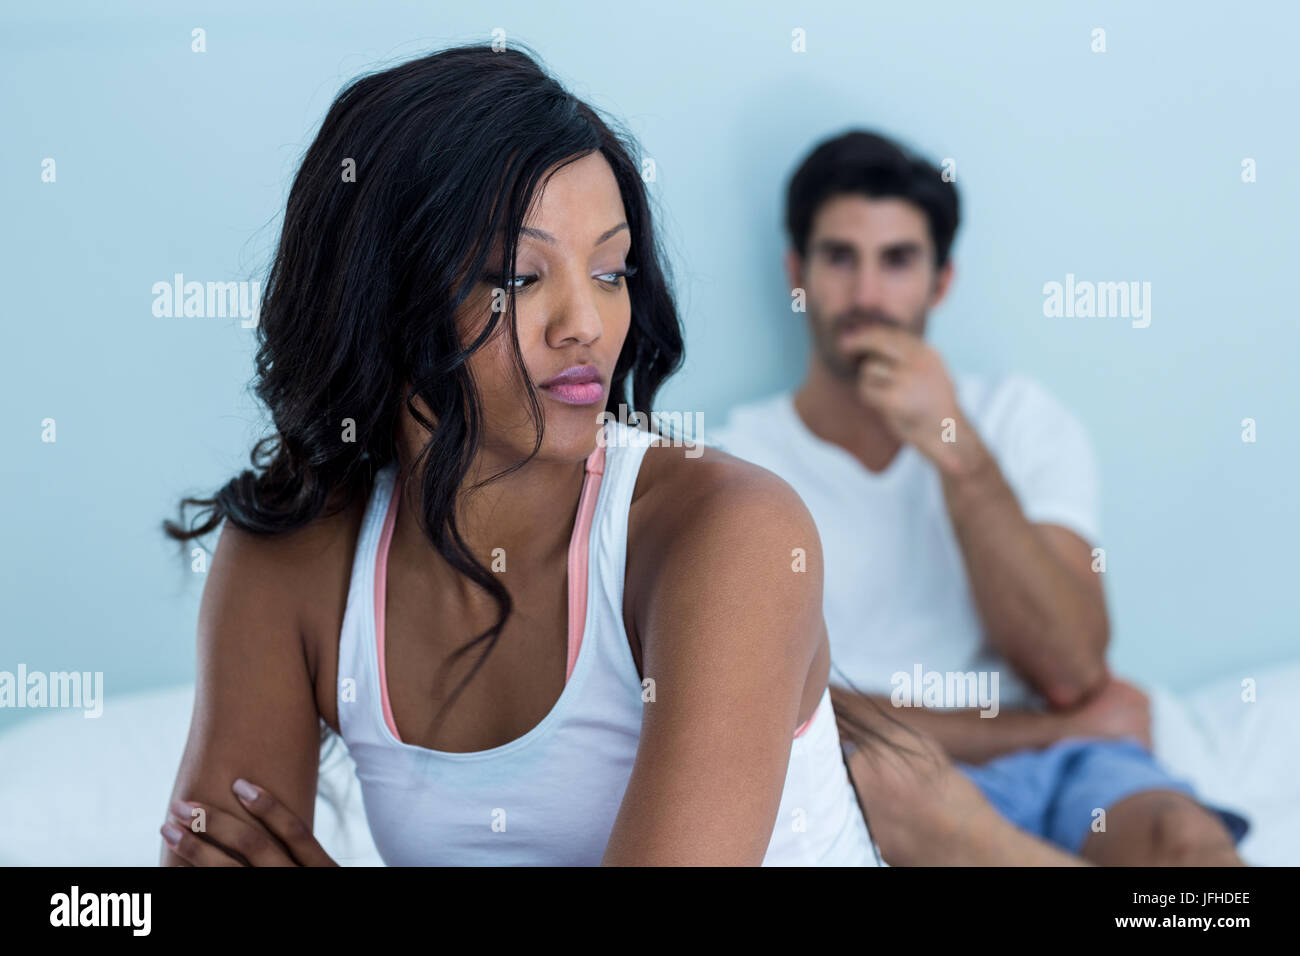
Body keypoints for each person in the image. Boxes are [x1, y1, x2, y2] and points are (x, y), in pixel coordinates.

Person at [157, 43, 884, 867]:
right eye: (518, 277)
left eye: (611, 272)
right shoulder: (295, 558)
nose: (585, 323)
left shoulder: (731, 535)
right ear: (383, 294)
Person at [712, 130, 1249, 865]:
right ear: (795, 272)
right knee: (910, 799)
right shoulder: (735, 461)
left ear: (942, 282)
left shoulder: (1020, 419)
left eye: (898, 261)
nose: (868, 296)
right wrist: (1054, 730)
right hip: (884, 775)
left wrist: (959, 452)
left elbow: (1071, 669)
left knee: (1186, 841)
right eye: (840, 258)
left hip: (1066, 771)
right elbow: (778, 706)